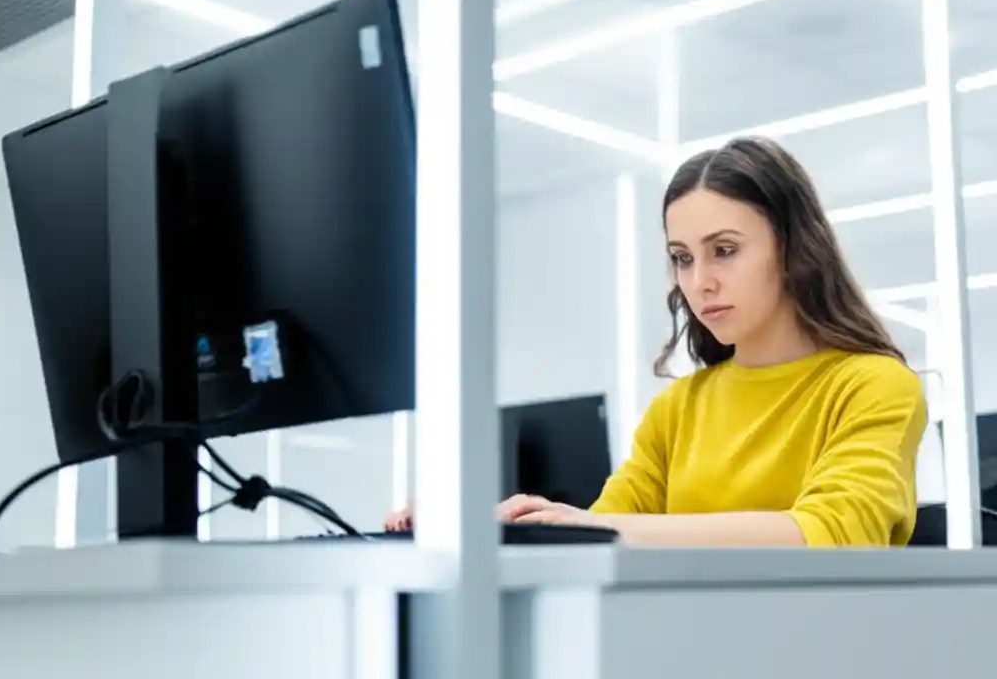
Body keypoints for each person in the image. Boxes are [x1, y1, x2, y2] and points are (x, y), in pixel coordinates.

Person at [386, 136, 926, 547]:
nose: (699, 281)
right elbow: (606, 526)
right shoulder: (679, 408)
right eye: (683, 257)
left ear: (792, 249)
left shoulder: (874, 386)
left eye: (725, 250)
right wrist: (485, 526)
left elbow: (830, 532)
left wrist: (602, 527)